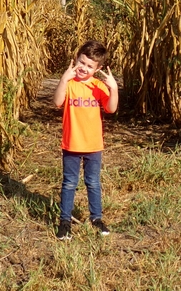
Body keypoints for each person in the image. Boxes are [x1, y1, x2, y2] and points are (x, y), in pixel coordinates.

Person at [53, 40, 118, 240]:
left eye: (90, 66)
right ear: (76, 59)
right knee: (69, 183)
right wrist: (63, 80)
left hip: (93, 145)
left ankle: (96, 218)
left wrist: (114, 88)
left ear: (98, 68)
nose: (84, 68)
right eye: (82, 62)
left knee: (93, 182)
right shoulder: (70, 85)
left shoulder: (98, 86)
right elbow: (57, 102)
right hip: (71, 143)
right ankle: (65, 220)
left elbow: (111, 108)